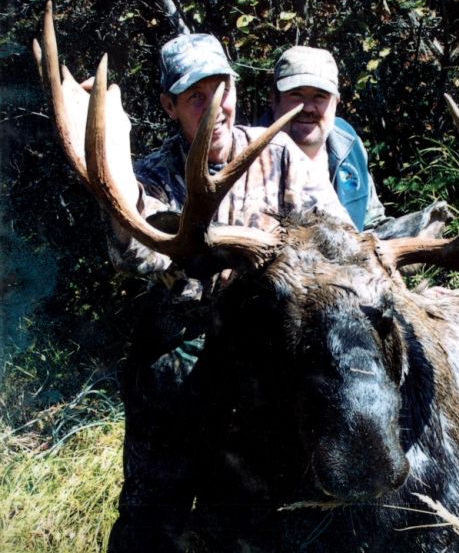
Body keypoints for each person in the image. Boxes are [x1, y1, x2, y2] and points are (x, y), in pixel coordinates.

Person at [96, 34, 354, 553]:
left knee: (245, 517)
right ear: (169, 106)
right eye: (196, 97)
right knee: (152, 516)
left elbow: (337, 239)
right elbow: (134, 254)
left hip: (261, 362)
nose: (217, 107)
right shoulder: (148, 175)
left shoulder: (276, 151)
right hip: (181, 358)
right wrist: (111, 145)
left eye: (224, 89)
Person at [259, 45, 451, 239]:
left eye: (320, 96)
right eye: (296, 95)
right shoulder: (248, 159)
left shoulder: (349, 147)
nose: (308, 108)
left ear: (336, 102)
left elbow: (371, 223)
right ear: (274, 99)